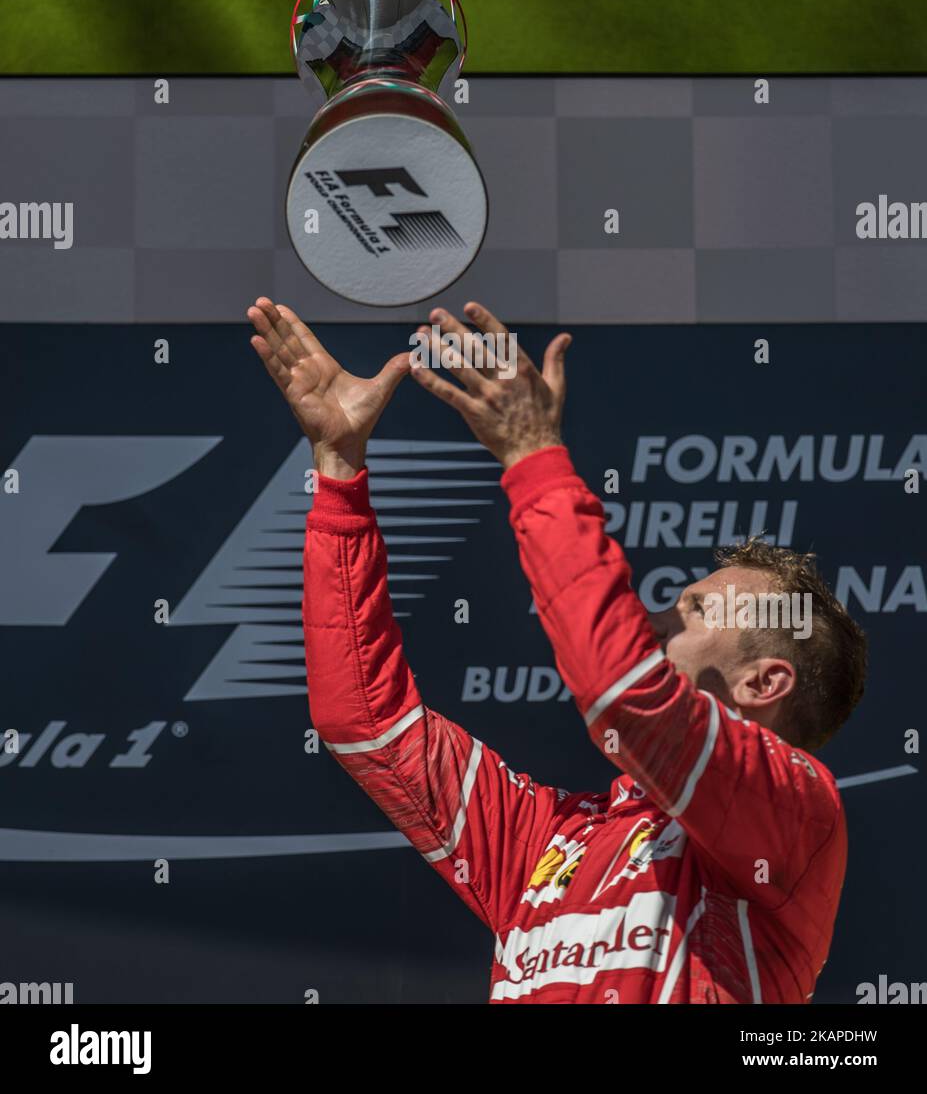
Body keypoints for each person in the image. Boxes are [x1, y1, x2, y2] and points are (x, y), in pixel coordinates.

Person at [247, 295, 867, 1005]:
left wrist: (533, 456)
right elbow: (366, 726)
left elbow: (622, 693)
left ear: (763, 683)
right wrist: (338, 473)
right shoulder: (549, 839)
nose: (653, 616)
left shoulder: (792, 809)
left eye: (692, 611)